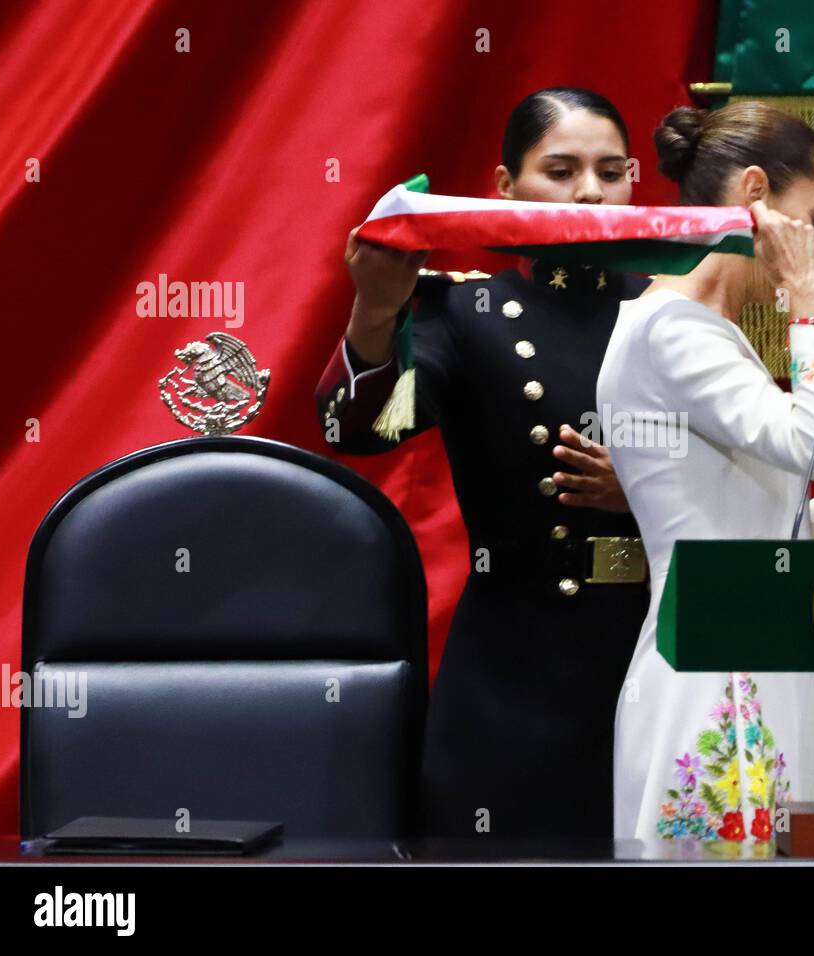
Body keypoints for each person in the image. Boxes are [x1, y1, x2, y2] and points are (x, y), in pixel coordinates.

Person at [314, 88, 652, 840]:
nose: (590, 192)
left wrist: (651, 496)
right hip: (518, 669)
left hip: (660, 657)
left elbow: (746, 480)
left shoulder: (674, 308)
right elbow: (358, 430)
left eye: (610, 170)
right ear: (504, 188)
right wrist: (375, 312)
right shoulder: (466, 311)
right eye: (560, 169)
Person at [597, 101, 814, 853]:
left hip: (755, 645)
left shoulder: (711, 332)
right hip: (709, 671)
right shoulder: (670, 329)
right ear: (758, 193)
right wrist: (804, 293)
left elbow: (748, 519)